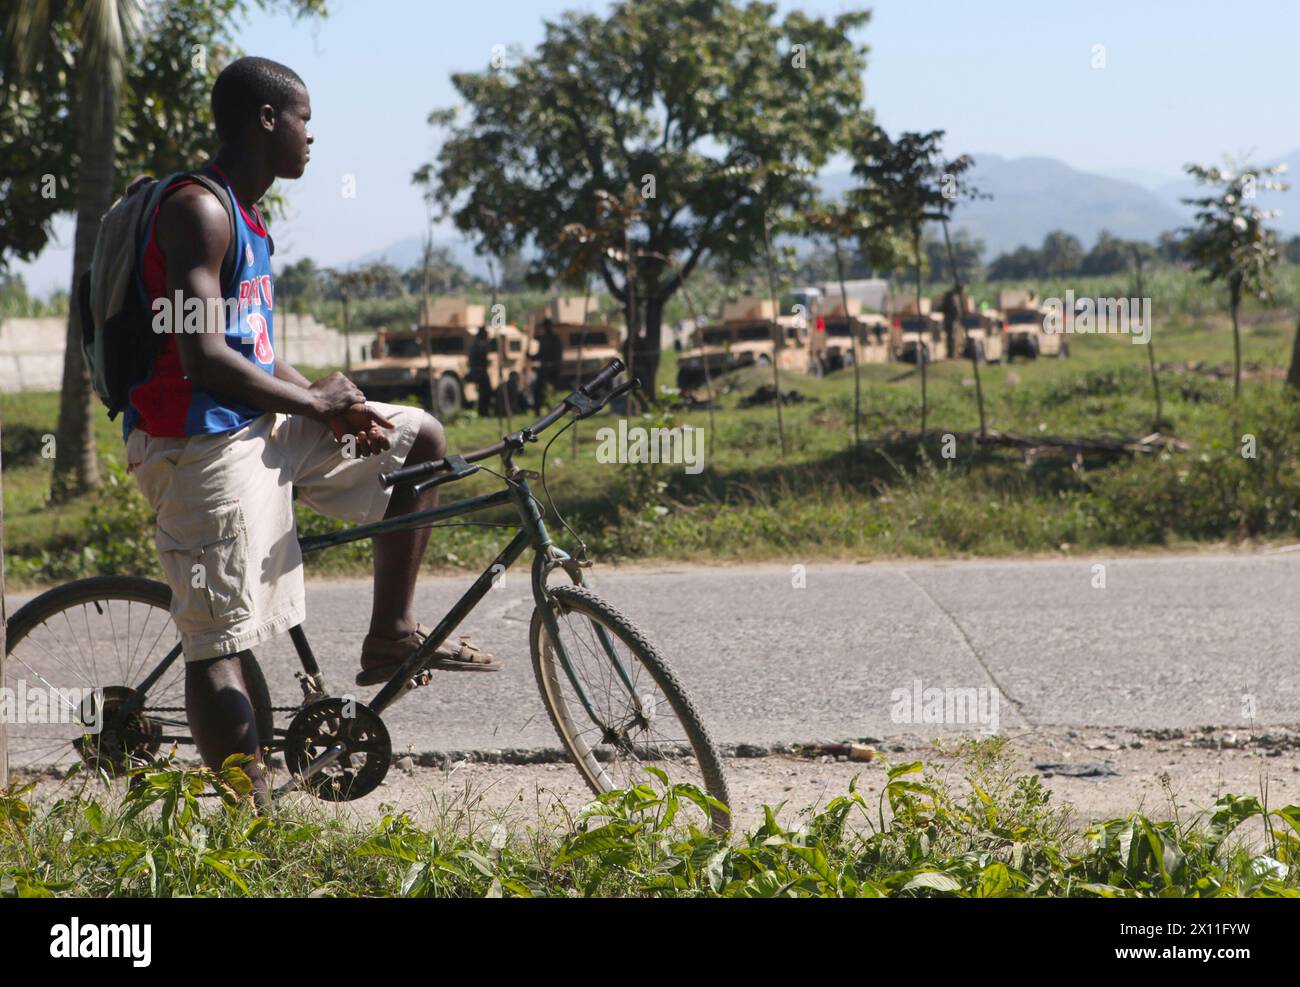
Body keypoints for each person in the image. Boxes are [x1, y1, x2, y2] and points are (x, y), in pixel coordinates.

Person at [123, 57, 496, 808]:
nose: (312, 135)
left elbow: (252, 349)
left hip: (256, 423)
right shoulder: (198, 210)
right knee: (220, 641)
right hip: (199, 442)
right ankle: (253, 824)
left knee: (418, 437)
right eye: (304, 118)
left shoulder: (249, 216)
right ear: (267, 120)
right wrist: (315, 405)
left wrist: (329, 400)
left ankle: (389, 632)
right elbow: (202, 356)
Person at [532, 318, 564, 409]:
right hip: (545, 368)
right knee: (539, 390)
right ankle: (538, 408)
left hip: (552, 369)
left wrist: (555, 366)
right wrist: (530, 356)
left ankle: (550, 406)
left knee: (551, 390)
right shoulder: (543, 339)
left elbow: (558, 355)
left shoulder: (555, 339)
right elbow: (540, 355)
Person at [467, 325, 493, 416]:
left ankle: (482, 411)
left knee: (483, 392)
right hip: (481, 371)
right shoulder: (481, 345)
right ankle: (483, 412)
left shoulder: (474, 345)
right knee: (486, 392)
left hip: (476, 371)